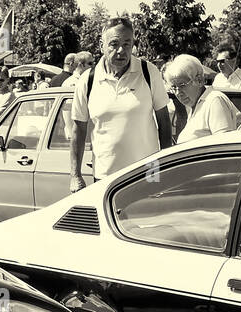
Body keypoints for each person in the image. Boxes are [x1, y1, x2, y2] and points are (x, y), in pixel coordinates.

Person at [69, 17, 171, 192]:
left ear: (133, 45)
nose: (121, 50)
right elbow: (78, 129)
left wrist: (167, 166)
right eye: (114, 44)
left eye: (127, 44)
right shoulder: (88, 80)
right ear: (102, 46)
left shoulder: (149, 72)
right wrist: (75, 175)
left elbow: (164, 122)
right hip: (105, 177)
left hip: (148, 173)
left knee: (148, 219)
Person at [165, 54, 241, 143]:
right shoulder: (196, 107)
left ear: (199, 80)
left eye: (182, 85)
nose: (178, 93)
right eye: (174, 87)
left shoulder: (214, 101)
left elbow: (224, 146)